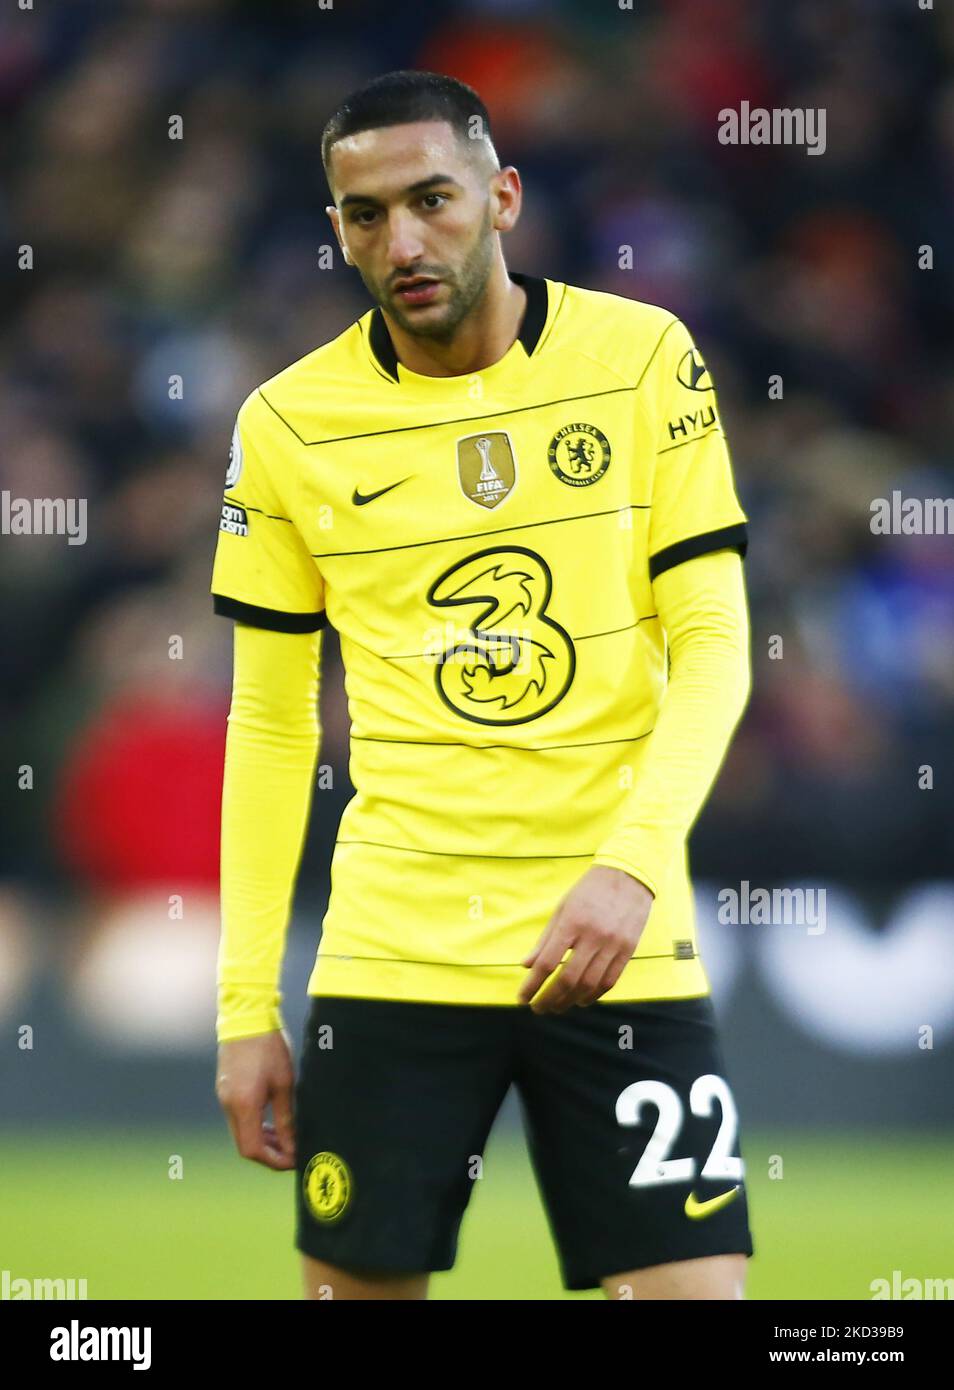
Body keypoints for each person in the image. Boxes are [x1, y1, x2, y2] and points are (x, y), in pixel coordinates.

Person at [212, 69, 754, 1301]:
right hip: (395, 952)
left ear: (501, 196)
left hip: (622, 943)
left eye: (433, 199)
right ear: (337, 226)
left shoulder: (641, 358)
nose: (402, 240)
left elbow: (715, 639)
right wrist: (247, 1005)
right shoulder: (288, 425)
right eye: (364, 214)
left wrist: (633, 860)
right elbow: (268, 719)